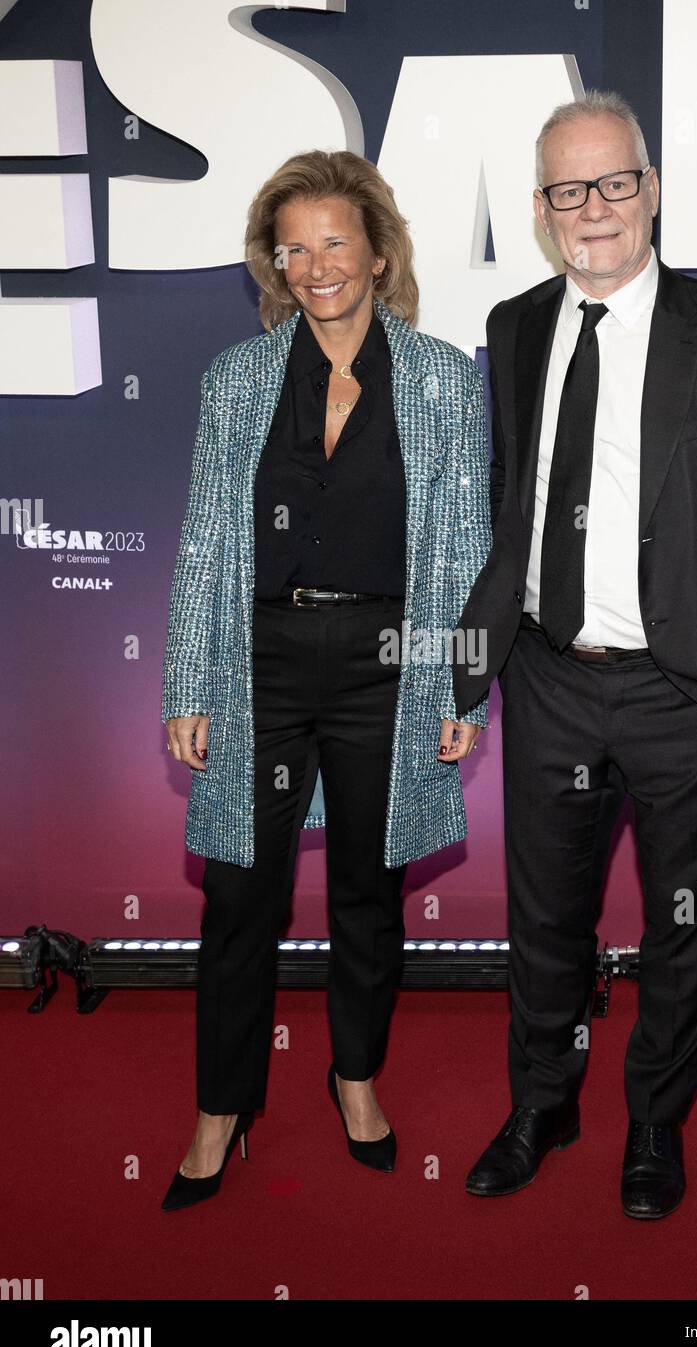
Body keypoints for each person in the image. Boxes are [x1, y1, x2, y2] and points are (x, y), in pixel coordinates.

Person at [452, 90, 697, 1217]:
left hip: (685, 691)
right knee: (543, 917)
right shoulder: (513, 328)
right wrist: (477, 658)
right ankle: (541, 1101)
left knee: (684, 920)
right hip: (550, 676)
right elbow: (508, 507)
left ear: (650, 190)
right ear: (540, 207)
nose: (594, 207)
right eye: (569, 189)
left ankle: (653, 1120)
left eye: (614, 182)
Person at [160, 149, 491, 1210]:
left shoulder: (441, 376)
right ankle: (222, 1106)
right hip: (258, 658)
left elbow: (462, 548)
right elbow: (205, 540)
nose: (313, 264)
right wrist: (186, 683)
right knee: (237, 894)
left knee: (367, 888)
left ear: (377, 251)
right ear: (274, 263)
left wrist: (461, 691)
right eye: (291, 246)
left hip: (388, 666)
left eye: (332, 241)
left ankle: (354, 1078)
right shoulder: (237, 378)